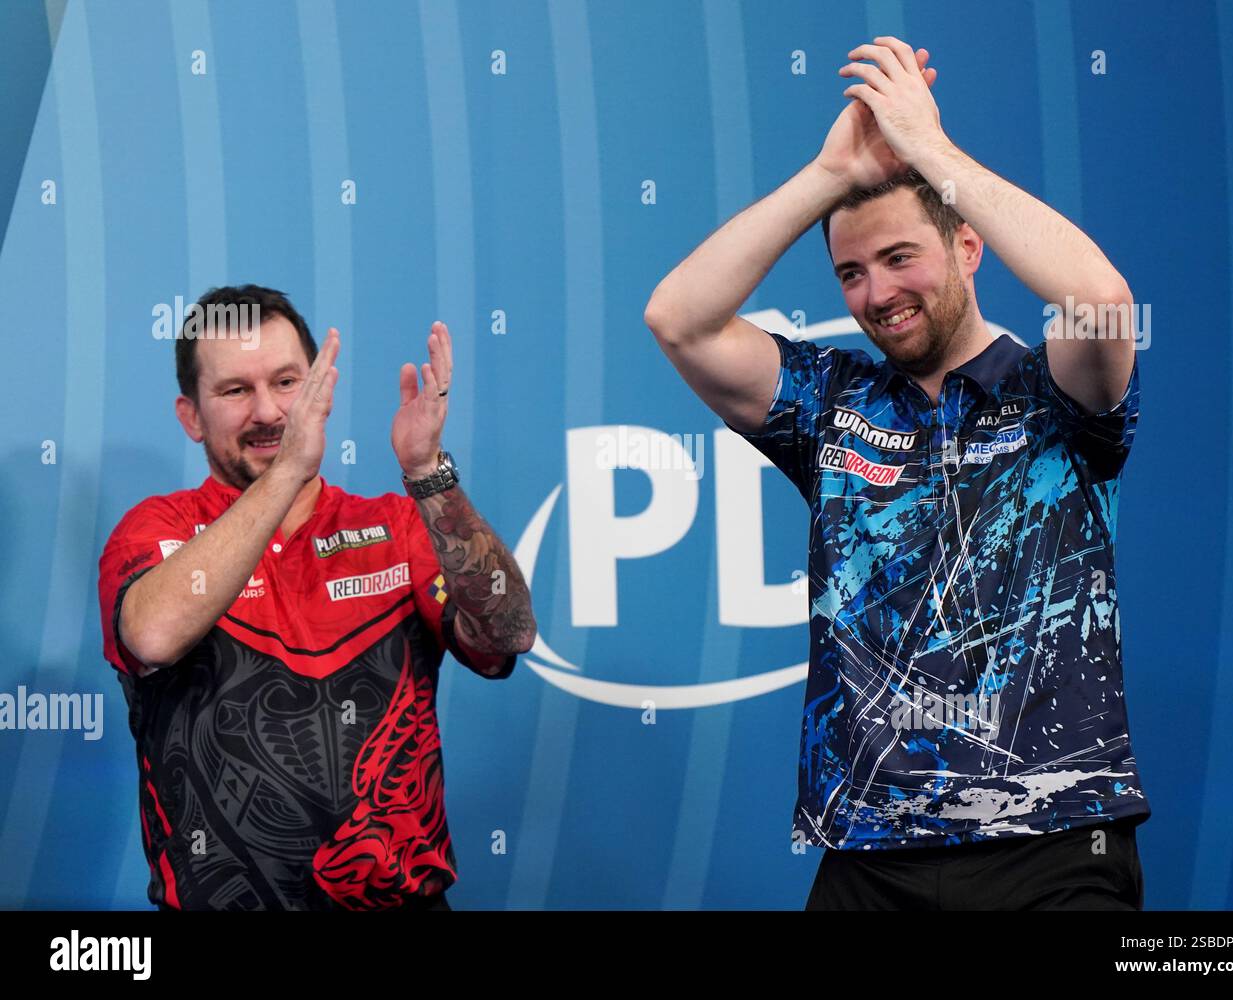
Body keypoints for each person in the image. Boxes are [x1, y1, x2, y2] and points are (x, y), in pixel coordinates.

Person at [644, 37, 1148, 910]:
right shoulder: (829, 402)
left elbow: (1099, 300)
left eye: (901, 257)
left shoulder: (1054, 390)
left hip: (1057, 844)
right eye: (850, 272)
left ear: (968, 246)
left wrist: (932, 152)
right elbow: (678, 319)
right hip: (869, 856)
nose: (877, 293)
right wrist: (828, 174)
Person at [97, 284, 536, 910]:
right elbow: (153, 635)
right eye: (234, 390)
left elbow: (507, 636)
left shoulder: (395, 525)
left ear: (319, 389)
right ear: (190, 415)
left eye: (285, 383)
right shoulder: (155, 530)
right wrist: (287, 475)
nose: (269, 412)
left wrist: (427, 472)